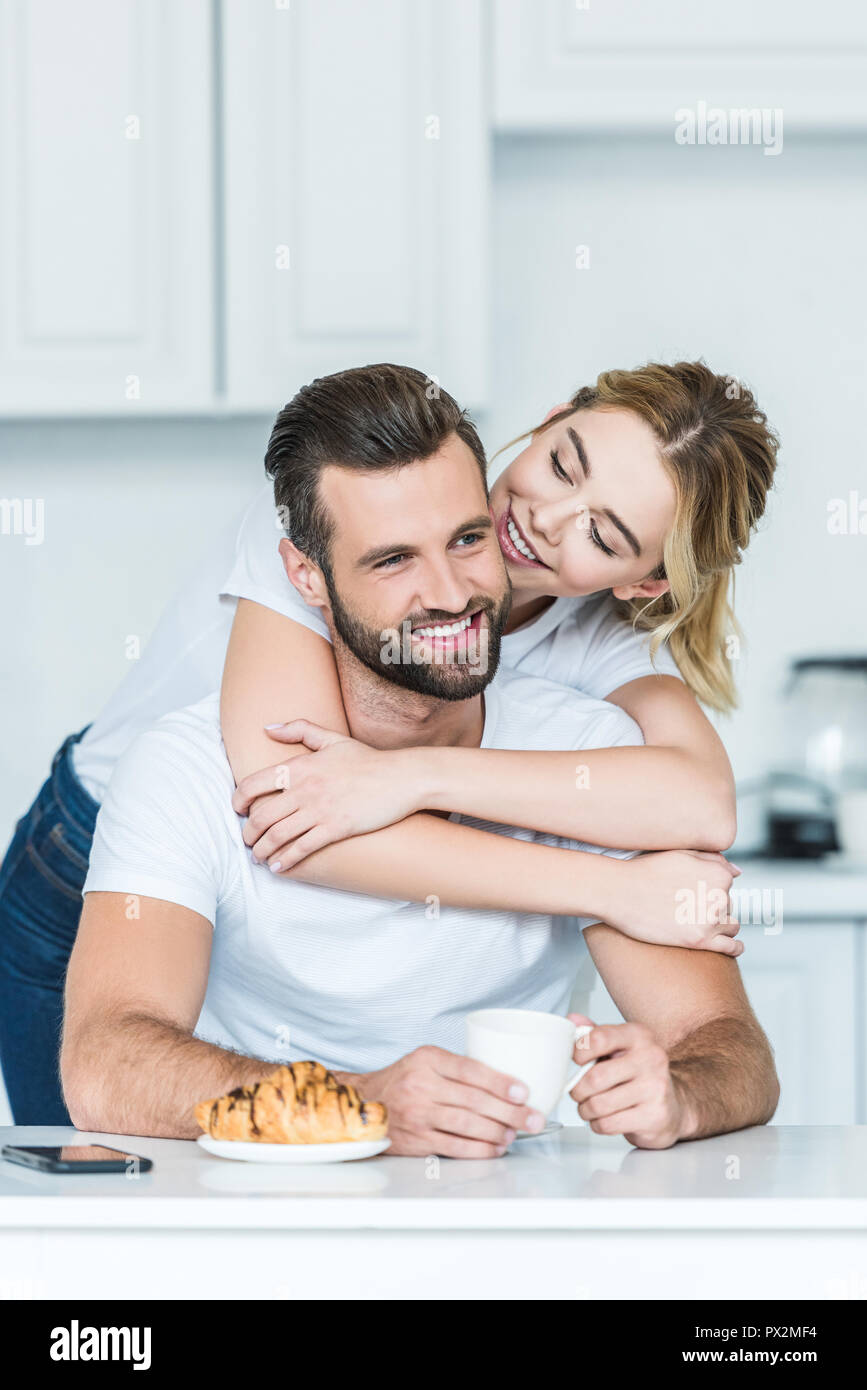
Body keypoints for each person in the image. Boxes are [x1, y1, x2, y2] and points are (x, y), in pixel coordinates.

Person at [0, 359, 778, 1123]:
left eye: (602, 535)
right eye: (563, 466)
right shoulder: (345, 507)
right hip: (90, 848)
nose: (545, 517)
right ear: (546, 423)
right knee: (97, 1170)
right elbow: (303, 819)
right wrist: (609, 889)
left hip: (276, 895)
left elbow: (700, 803)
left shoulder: (592, 658)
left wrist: (417, 777)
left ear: (643, 583)